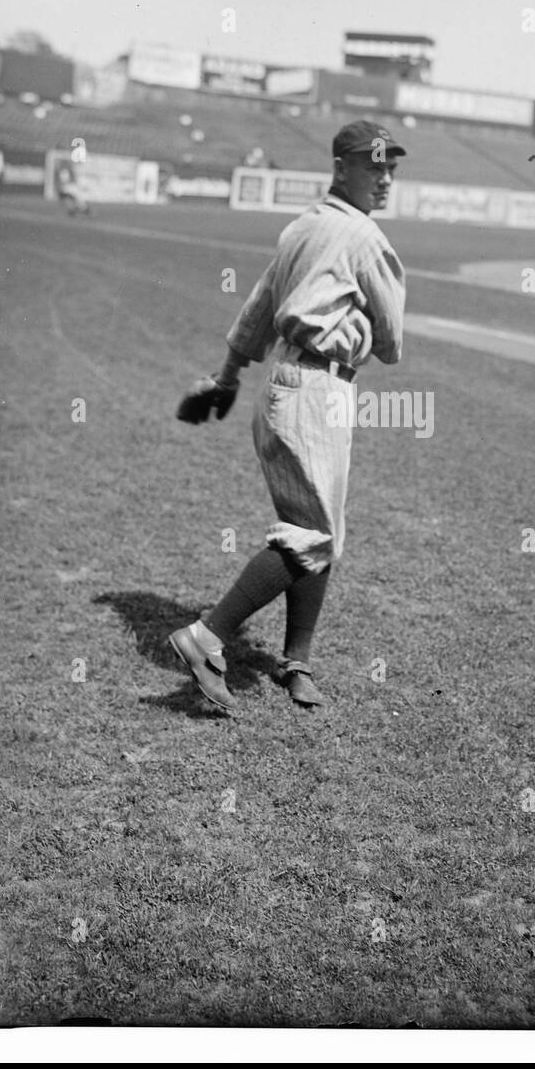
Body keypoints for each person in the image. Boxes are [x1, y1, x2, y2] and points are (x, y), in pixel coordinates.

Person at [169, 120, 407, 708]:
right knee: (315, 534)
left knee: (321, 526)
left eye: (390, 167)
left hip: (283, 382)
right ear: (340, 168)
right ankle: (206, 636)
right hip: (316, 390)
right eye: (372, 165)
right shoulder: (363, 237)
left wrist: (225, 378)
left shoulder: (300, 226)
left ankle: (296, 662)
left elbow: (256, 310)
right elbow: (392, 343)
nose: (384, 178)